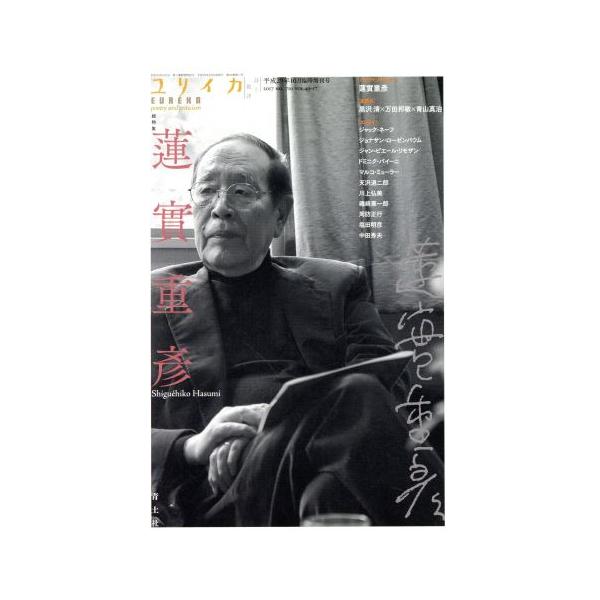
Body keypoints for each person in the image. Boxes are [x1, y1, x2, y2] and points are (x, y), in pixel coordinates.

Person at [151, 133, 444, 526]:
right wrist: (192, 445)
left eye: (241, 191)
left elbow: (389, 392)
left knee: (329, 490)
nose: (220, 208)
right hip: (211, 492)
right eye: (206, 191)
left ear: (280, 215)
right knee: (354, 394)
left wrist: (275, 423)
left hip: (302, 477)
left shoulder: (337, 286)